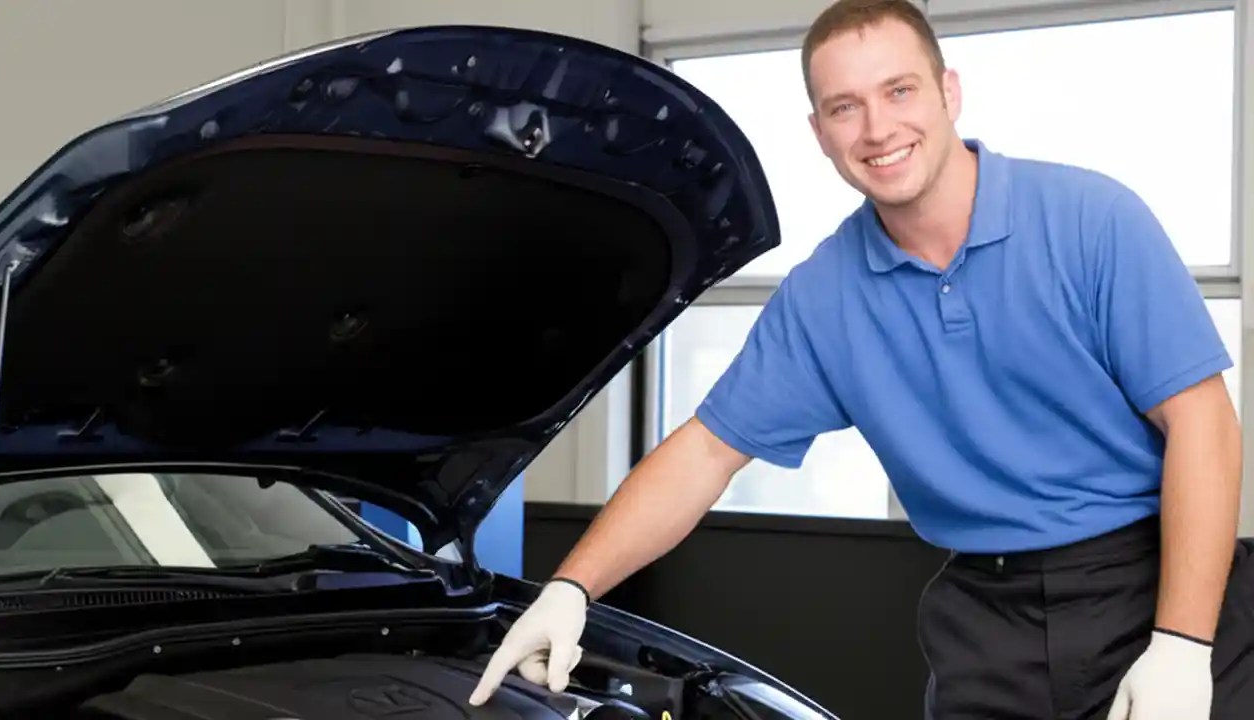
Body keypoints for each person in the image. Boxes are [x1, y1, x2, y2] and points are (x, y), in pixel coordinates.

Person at [467, 1, 1254, 717]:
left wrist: (1182, 648)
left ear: (949, 93)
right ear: (819, 132)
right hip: (984, 617)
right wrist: (570, 589)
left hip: (1159, 582)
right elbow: (705, 452)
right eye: (846, 107)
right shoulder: (826, 297)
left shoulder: (1092, 220)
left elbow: (1203, 425)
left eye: (899, 91)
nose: (877, 129)